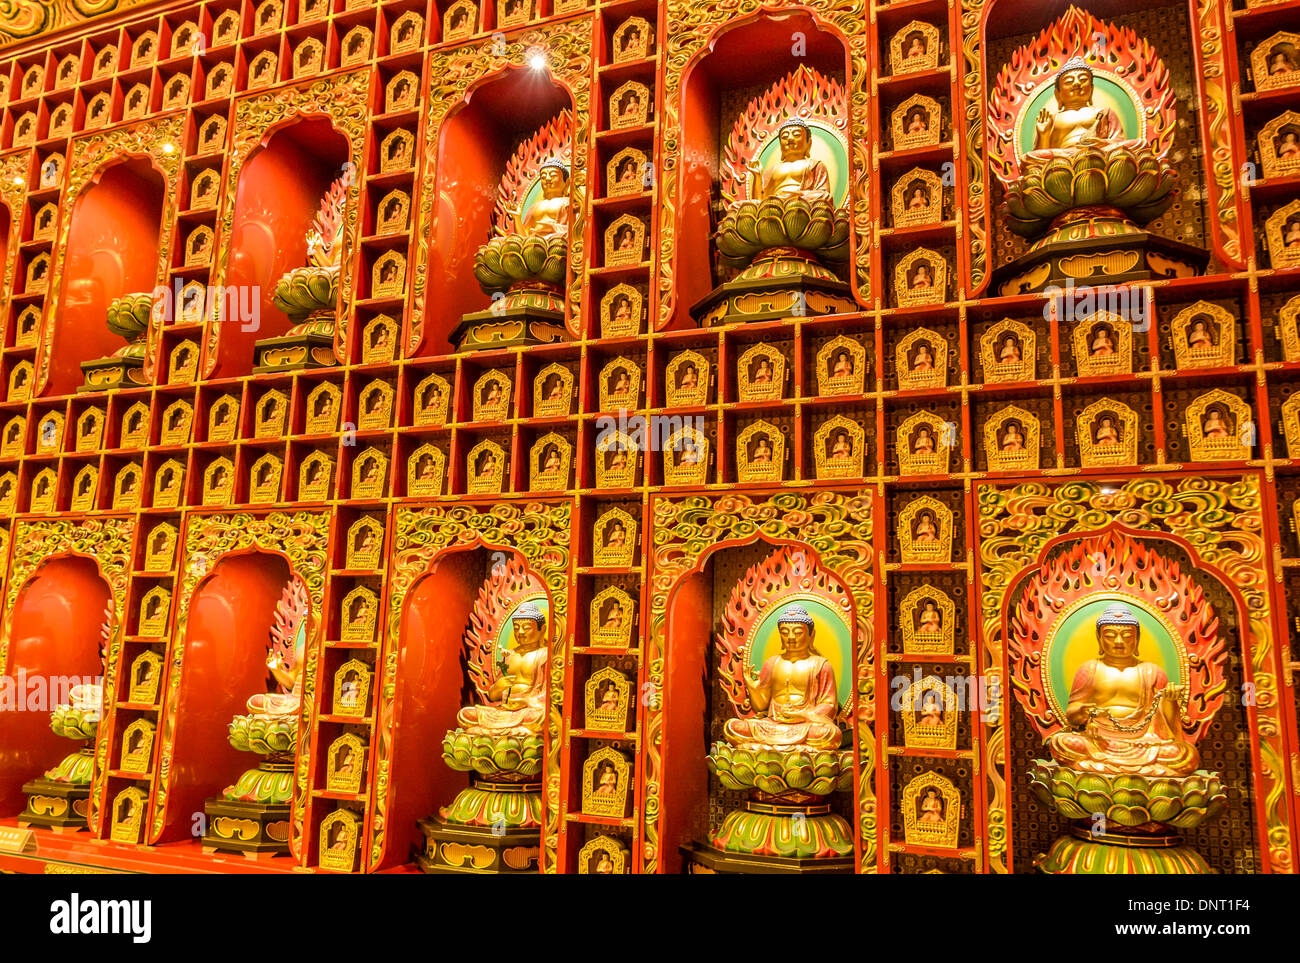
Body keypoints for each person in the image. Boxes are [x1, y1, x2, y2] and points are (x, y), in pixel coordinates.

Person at [1046, 603, 1200, 776]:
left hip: (1144, 742)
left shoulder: (1152, 672)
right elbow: (1072, 715)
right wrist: (1086, 712)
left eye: (1127, 636)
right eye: (1110, 636)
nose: (1119, 642)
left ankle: (1101, 770)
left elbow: (1169, 726)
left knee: (1185, 755)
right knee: (1061, 743)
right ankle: (1146, 772)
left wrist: (1170, 701)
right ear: (1100, 638)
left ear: (1137, 639)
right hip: (1098, 741)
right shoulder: (1089, 669)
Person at [723, 605, 842, 749]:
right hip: (772, 725)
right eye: (785, 632)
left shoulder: (821, 665)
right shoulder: (772, 663)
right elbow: (761, 706)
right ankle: (794, 747)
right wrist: (753, 688)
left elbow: (829, 705)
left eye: (798, 633)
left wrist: (803, 715)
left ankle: (764, 748)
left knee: (830, 734)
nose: (791, 637)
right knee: (732, 727)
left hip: (805, 726)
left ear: (811, 635)